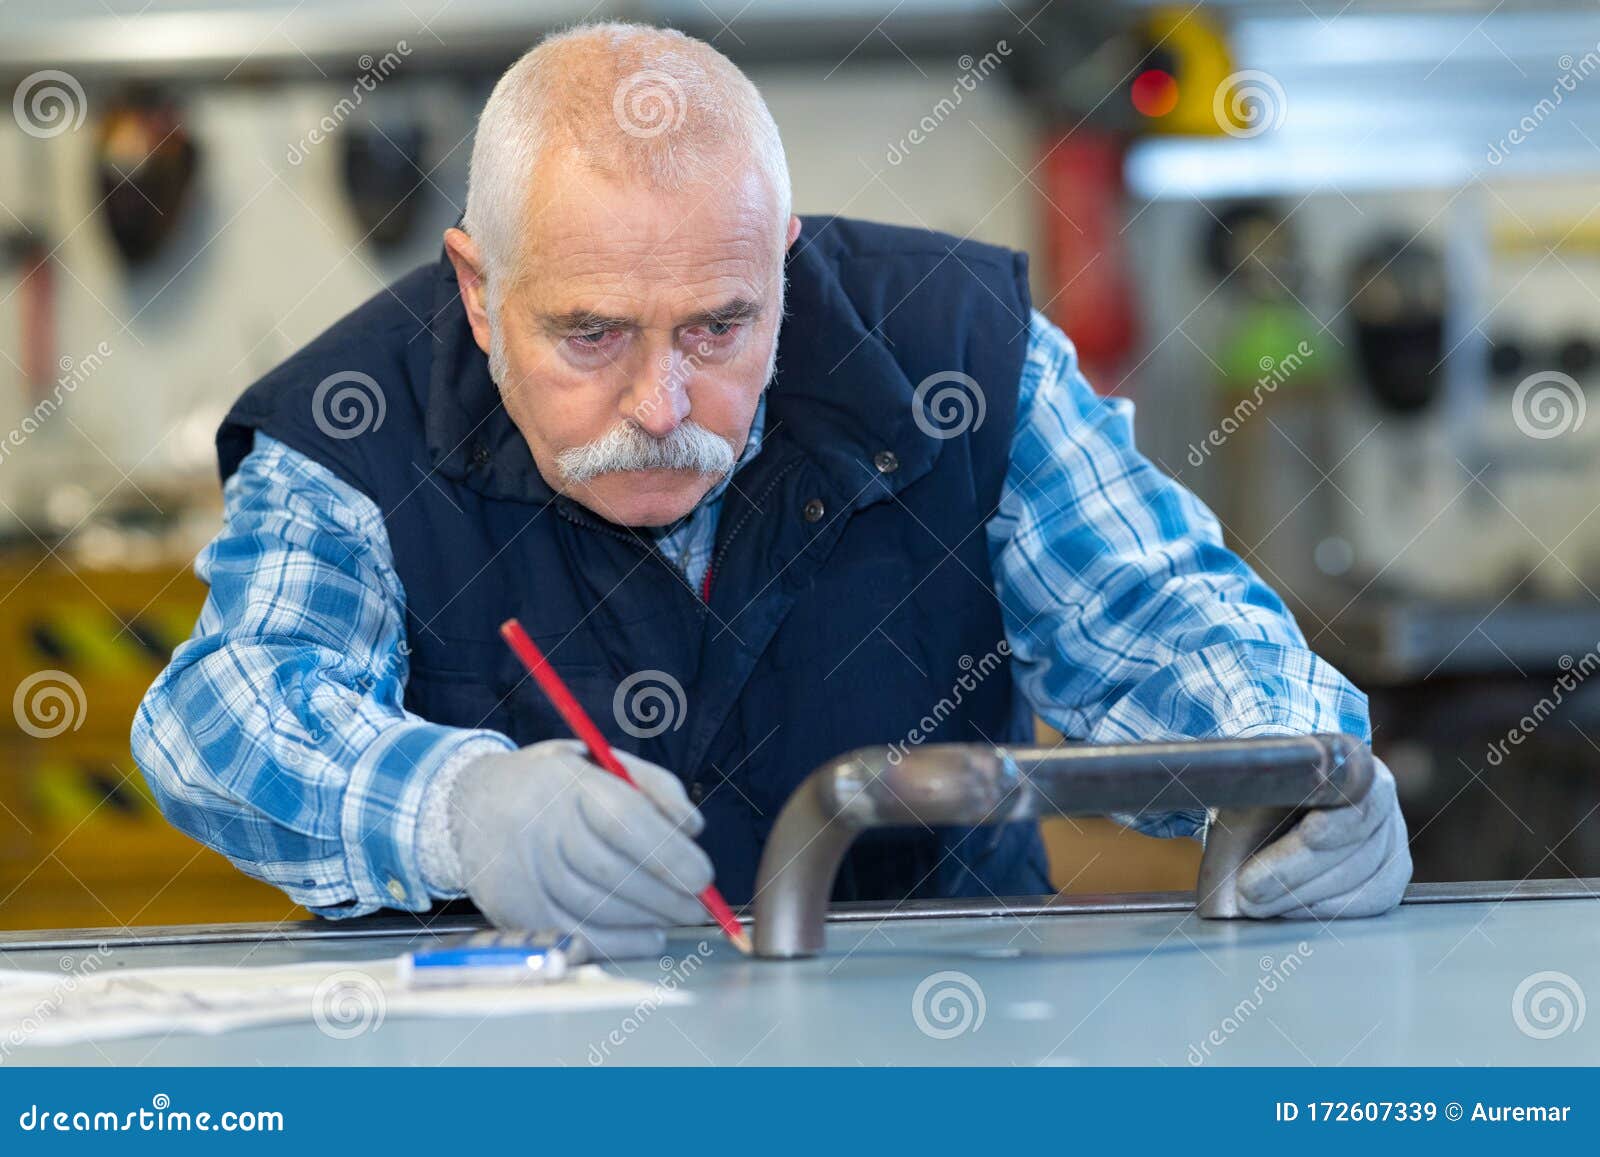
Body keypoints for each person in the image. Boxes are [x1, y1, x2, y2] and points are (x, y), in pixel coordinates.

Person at [132, 22, 1409, 958]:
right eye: (589, 333)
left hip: (934, 1048)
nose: (658, 405)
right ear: (478, 290)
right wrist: (455, 807)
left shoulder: (961, 355)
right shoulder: (352, 421)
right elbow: (221, 713)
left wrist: (1303, 763)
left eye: (717, 326)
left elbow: (1154, 615)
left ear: (781, 269)